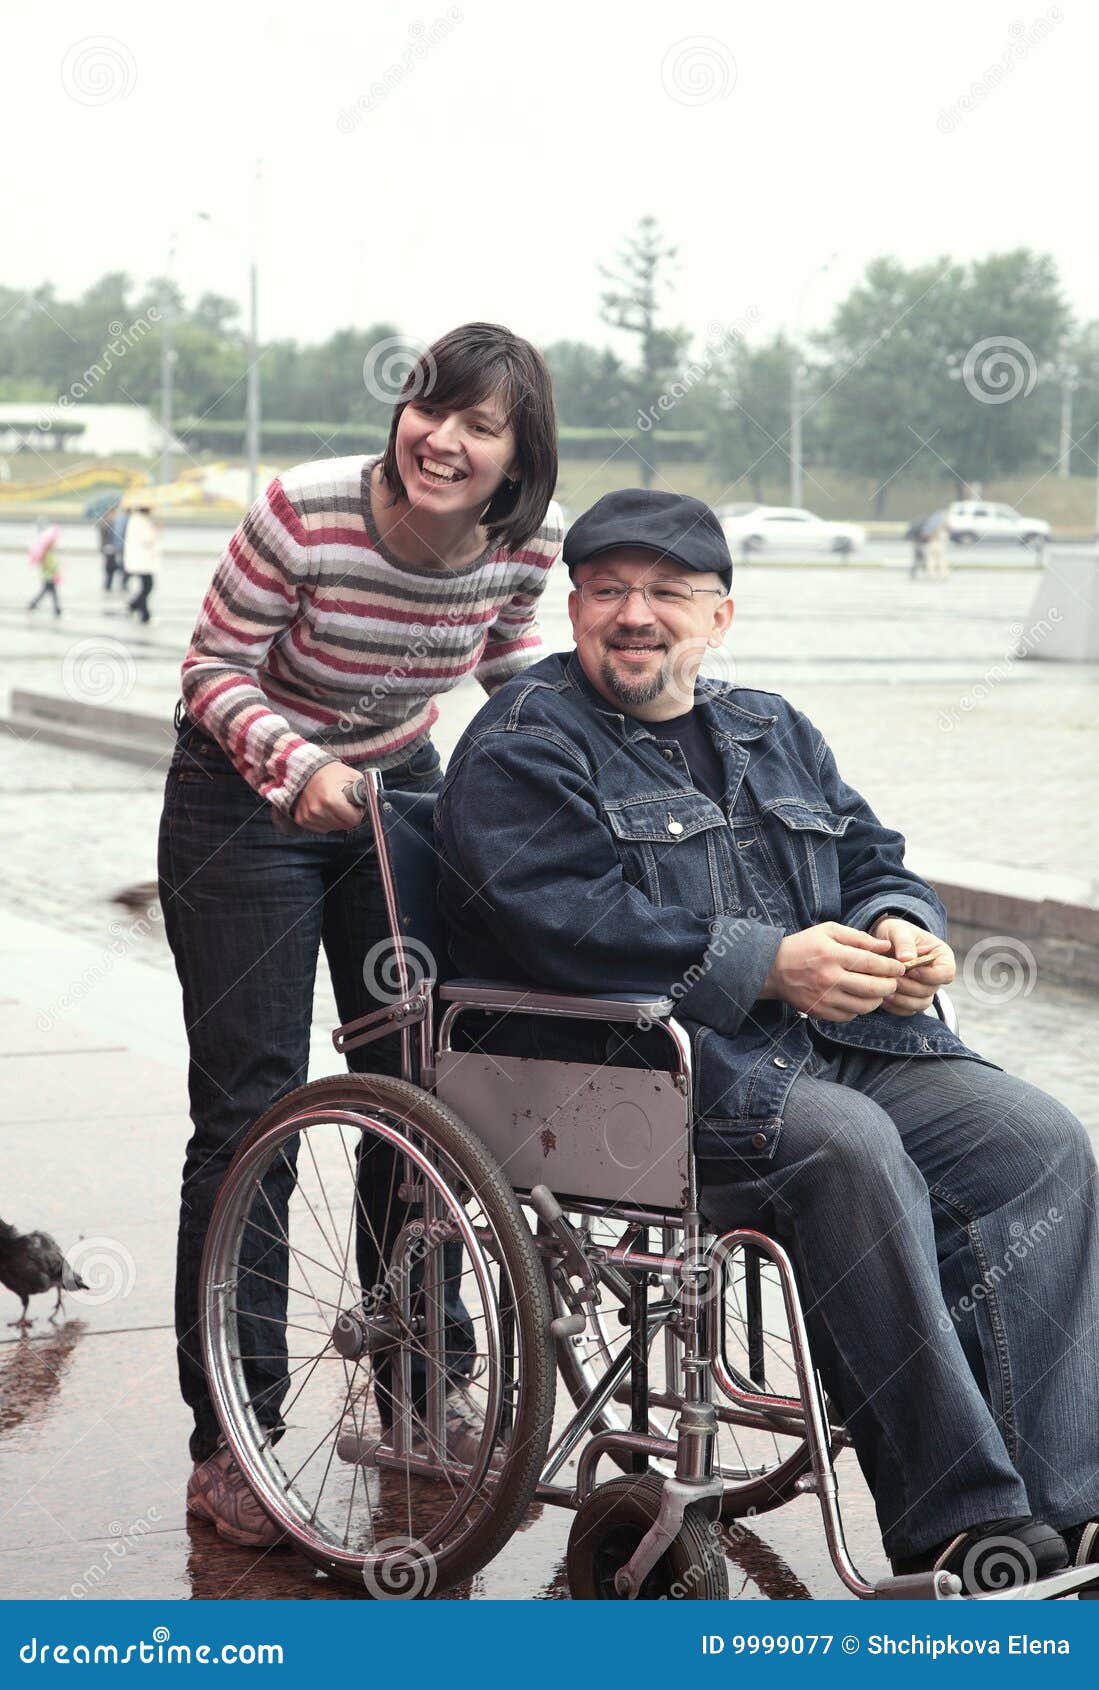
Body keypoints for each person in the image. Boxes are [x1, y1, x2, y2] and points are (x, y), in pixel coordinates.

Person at [436, 487, 1099, 1596]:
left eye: (666, 593)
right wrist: (767, 960)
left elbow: (874, 853)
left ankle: (1066, 1500)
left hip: (829, 1048)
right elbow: (558, 921)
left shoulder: (772, 727)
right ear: (574, 606)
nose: (634, 614)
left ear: (719, 617)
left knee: (1039, 1142)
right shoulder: (521, 742)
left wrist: (906, 926)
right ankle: (958, 1521)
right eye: (607, 591)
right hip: (633, 1072)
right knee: (845, 1147)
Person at [157, 321, 561, 1549]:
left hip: (397, 790)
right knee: (252, 1111)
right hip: (243, 799)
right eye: (429, 408)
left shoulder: (521, 542)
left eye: (479, 426)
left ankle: (422, 1385)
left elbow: (508, 657)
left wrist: (577, 752)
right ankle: (234, 1432)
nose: (443, 438)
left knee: (415, 1095)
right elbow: (211, 666)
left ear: (514, 454)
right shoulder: (306, 514)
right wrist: (295, 765)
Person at [123, 501, 160, 622]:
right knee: (147, 586)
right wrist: (155, 529)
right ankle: (143, 613)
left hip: (140, 560)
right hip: (142, 560)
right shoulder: (141, 522)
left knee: (146, 586)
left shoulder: (136, 520)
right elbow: (147, 539)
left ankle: (135, 607)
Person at [26, 522, 62, 616]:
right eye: (53, 541)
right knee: (49, 592)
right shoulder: (46, 553)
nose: (55, 542)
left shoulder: (48, 552)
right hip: (48, 576)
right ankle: (56, 609)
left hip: (49, 576)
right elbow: (49, 565)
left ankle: (55, 608)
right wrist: (55, 571)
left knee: (48, 592)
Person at [98, 502, 128, 593]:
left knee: (111, 569)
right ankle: (110, 586)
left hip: (111, 549)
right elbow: (106, 537)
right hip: (108, 549)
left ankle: (109, 586)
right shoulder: (106, 523)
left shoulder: (111, 523)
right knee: (111, 568)